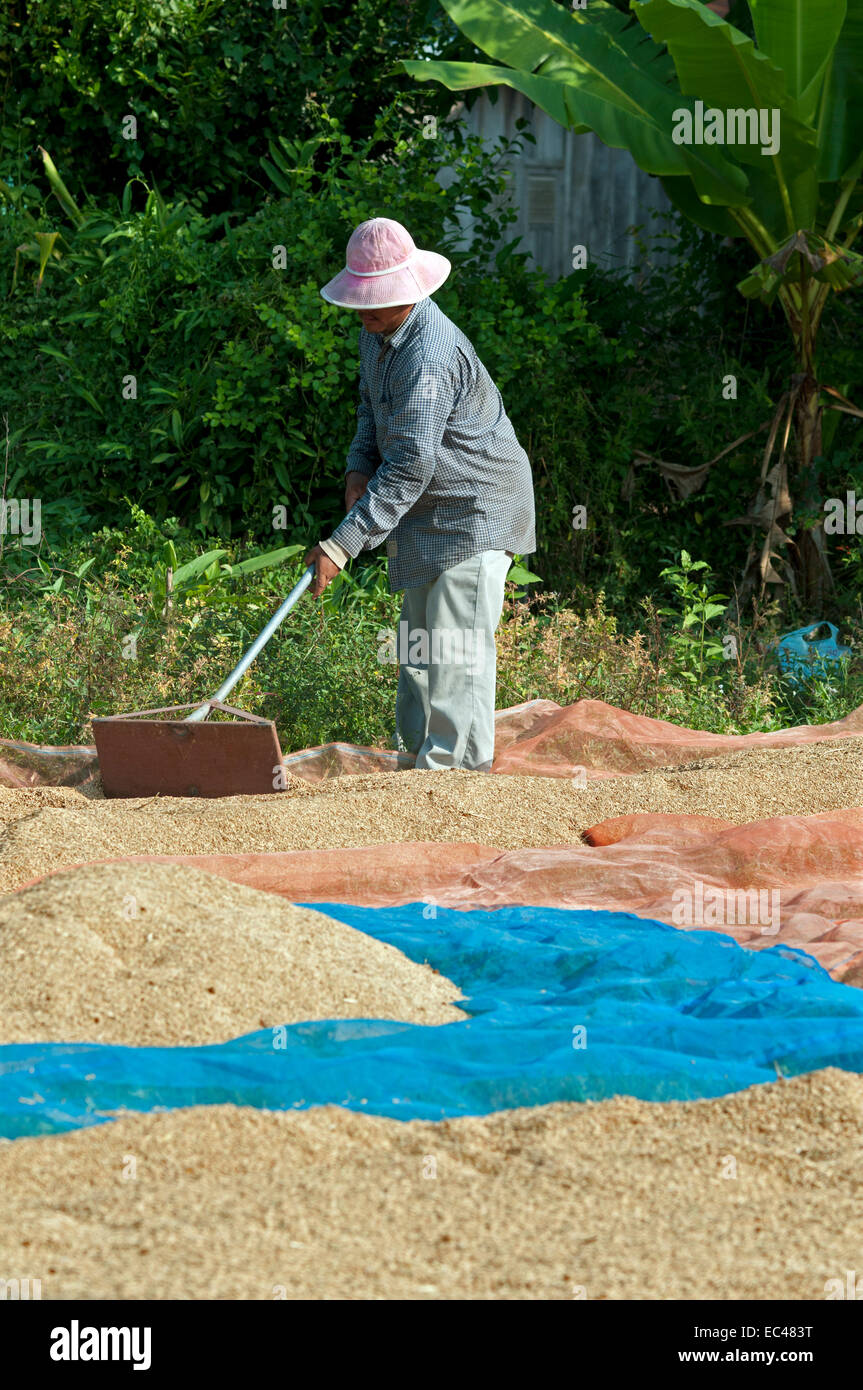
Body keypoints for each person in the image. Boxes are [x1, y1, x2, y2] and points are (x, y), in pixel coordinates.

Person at [305, 217, 535, 771]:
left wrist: (341, 545)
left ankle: (452, 777)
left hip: (474, 508)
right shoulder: (377, 333)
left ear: (407, 292)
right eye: (360, 301)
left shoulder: (428, 354)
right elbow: (369, 406)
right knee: (418, 647)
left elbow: (411, 463)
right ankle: (418, 764)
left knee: (456, 652)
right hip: (423, 511)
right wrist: (357, 467)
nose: (363, 312)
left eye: (375, 302)